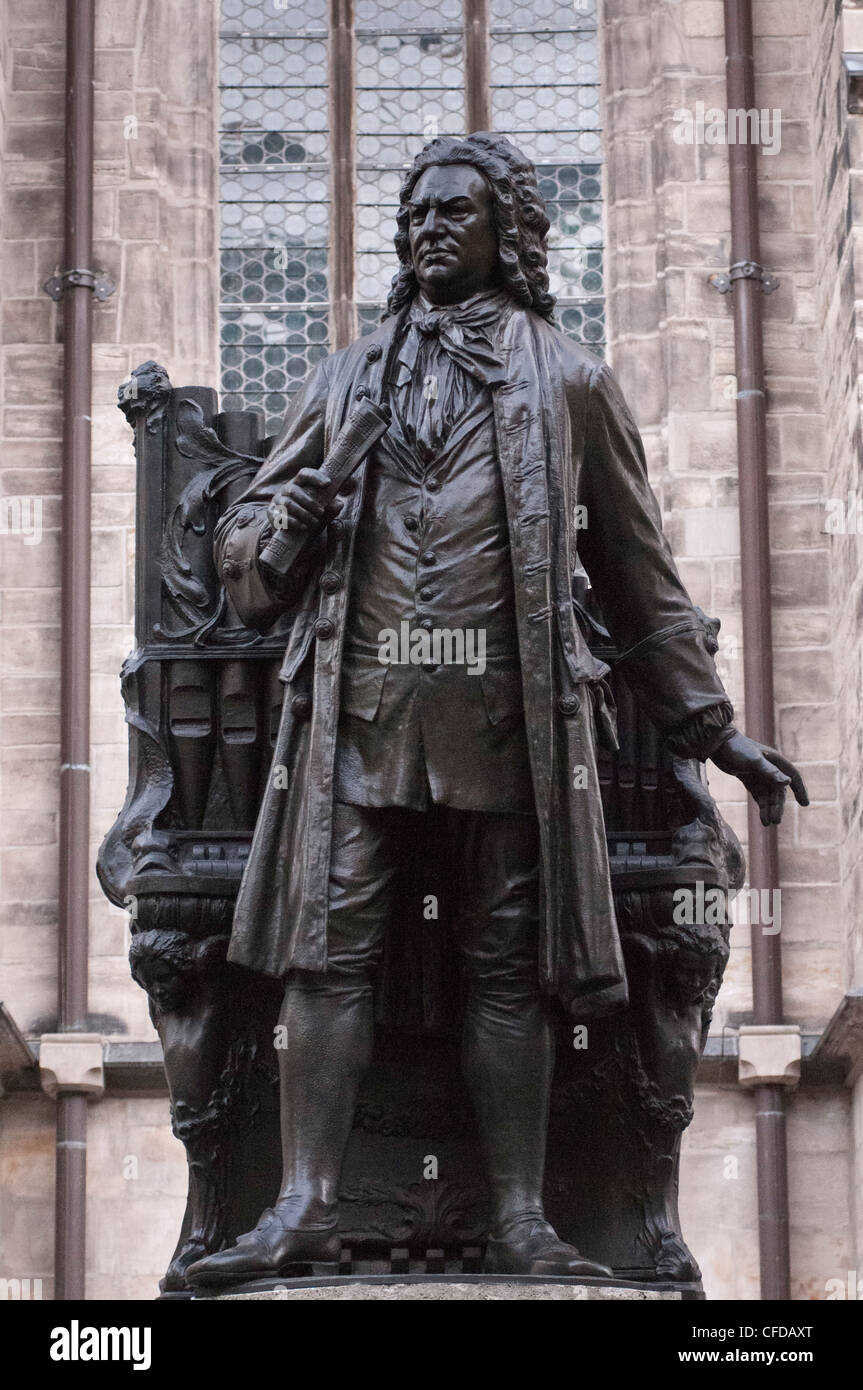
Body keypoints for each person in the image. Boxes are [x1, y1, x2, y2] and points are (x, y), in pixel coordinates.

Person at [187, 133, 807, 1285]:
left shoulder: (567, 379)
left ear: (504, 234)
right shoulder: (342, 377)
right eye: (414, 211)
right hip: (357, 720)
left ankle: (521, 1218)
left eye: (453, 211)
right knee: (325, 955)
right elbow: (245, 567)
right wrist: (309, 500)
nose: (427, 227)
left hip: (512, 721)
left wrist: (712, 731)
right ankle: (307, 1206)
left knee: (509, 966)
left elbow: (635, 570)